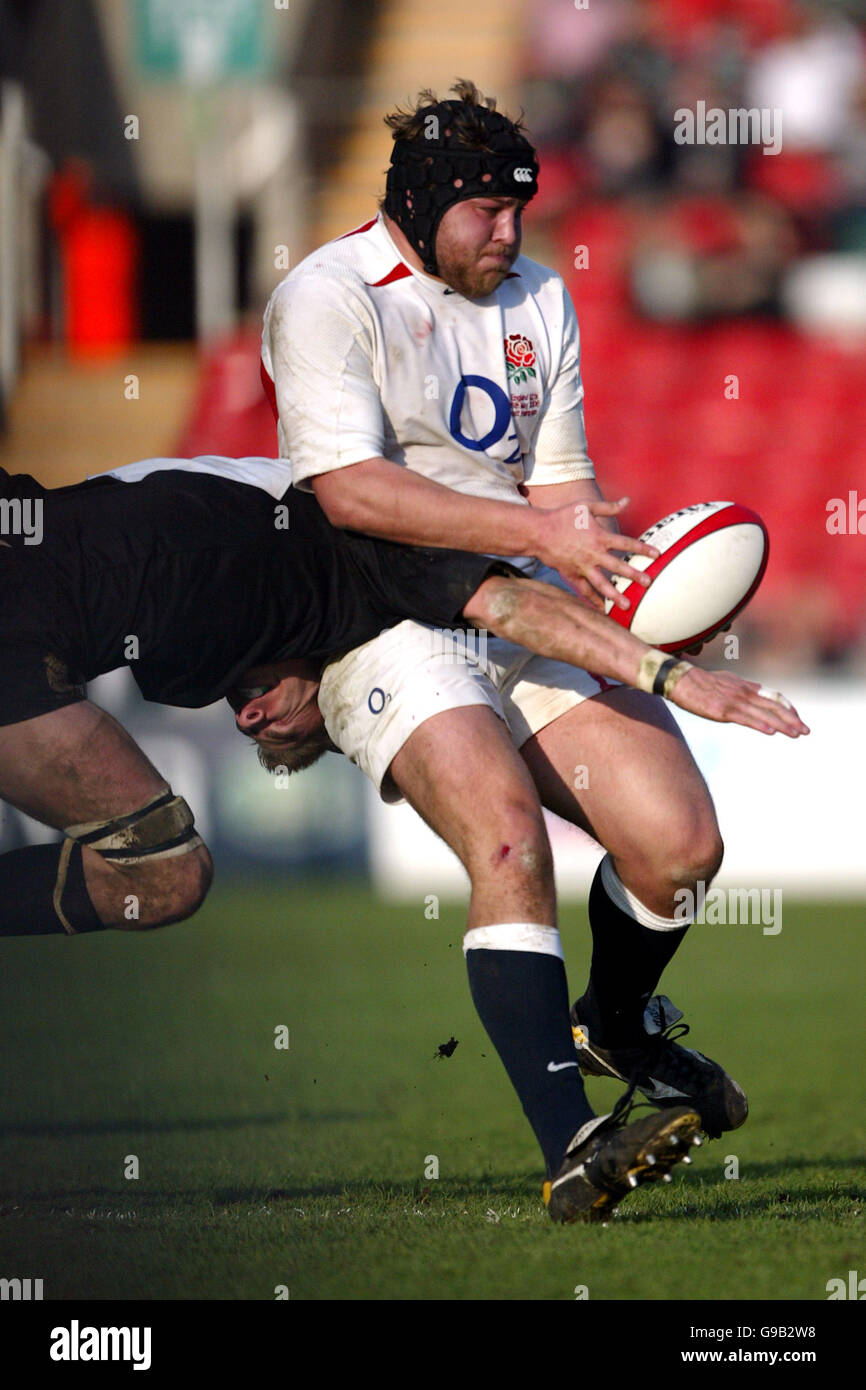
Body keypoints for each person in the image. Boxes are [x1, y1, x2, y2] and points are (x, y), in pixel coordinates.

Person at [259, 80, 810, 1222]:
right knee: (509, 841)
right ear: (415, 203)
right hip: (377, 614)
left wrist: (633, 597)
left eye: (518, 210)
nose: (507, 234)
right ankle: (573, 1148)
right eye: (483, 213)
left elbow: (560, 489)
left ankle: (610, 1024)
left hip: (517, 598)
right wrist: (534, 534)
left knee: (678, 846)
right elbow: (350, 491)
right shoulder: (325, 296)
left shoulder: (537, 297)